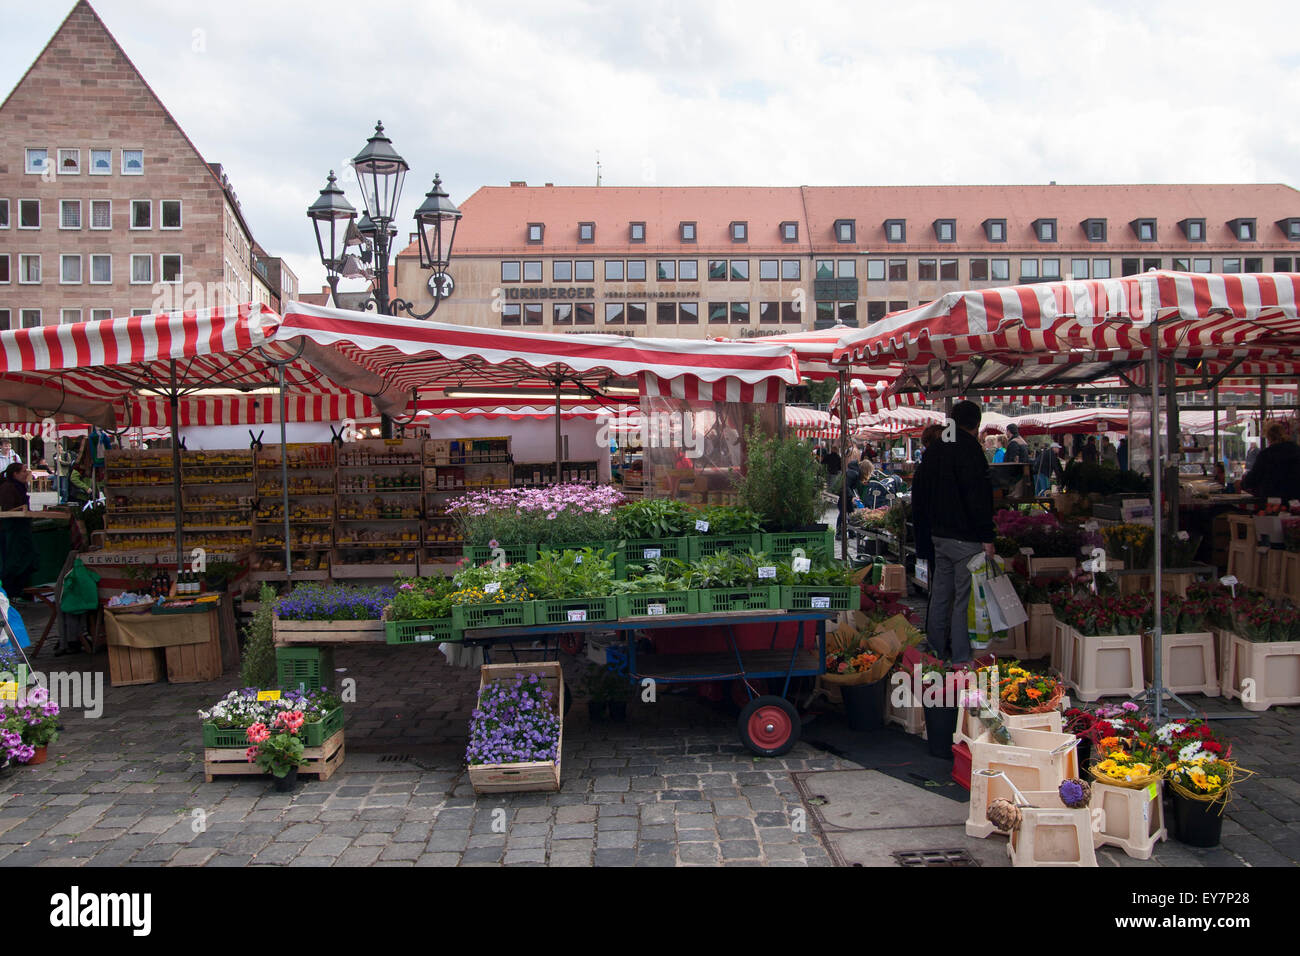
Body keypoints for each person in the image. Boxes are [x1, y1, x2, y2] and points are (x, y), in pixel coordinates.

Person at [913, 401, 995, 663]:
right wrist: (987, 535)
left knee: (939, 596)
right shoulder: (970, 450)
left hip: (939, 535)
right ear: (975, 425)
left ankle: (935, 653)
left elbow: (923, 493)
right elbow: (978, 497)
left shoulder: (935, 449)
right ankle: (960, 658)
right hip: (965, 537)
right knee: (962, 599)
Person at [0, 463, 40, 601]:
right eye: (23, 471)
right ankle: (11, 594)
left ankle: (21, 592)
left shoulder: (20, 487)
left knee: (27, 560)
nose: (26, 474)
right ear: (15, 474)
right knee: (13, 563)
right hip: (12, 530)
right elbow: (7, 509)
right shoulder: (8, 488)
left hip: (21, 530)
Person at [1241, 420, 1300, 502]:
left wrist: (1242, 483)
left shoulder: (1266, 454)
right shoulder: (1297, 451)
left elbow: (1253, 479)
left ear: (1269, 438)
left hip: (1273, 501)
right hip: (1296, 500)